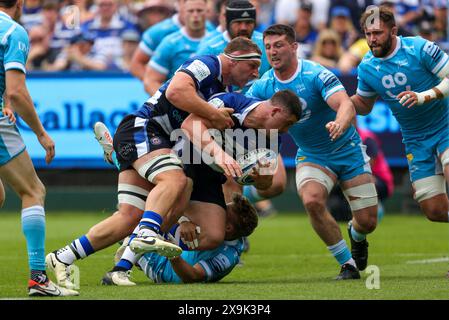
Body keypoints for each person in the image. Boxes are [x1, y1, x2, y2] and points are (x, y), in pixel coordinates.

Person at [45, 85, 300, 289]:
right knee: (167, 196)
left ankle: (121, 165)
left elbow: (265, 184)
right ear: (275, 113)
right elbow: (189, 126)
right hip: (189, 154)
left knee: (212, 234)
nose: (286, 131)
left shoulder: (272, 139)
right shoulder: (232, 101)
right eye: (287, 124)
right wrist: (218, 155)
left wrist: (259, 178)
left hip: (211, 177)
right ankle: (121, 268)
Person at [247, 24, 379, 280]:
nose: (273, 52)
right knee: (311, 200)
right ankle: (347, 264)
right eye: (268, 47)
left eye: (279, 45)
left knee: (368, 222)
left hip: (348, 150)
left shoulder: (315, 73)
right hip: (312, 155)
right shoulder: (264, 86)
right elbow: (246, 115)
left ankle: (357, 234)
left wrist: (340, 122)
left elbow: (345, 103)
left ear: (294, 47)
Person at [0, 0, 77, 296]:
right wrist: (42, 134)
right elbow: (18, 93)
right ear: (19, 3)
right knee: (33, 191)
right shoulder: (13, 31)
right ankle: (38, 278)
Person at [352, 6, 449, 226]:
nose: (372, 39)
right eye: (368, 34)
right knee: (434, 210)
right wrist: (336, 101)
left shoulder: (418, 47)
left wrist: (422, 96)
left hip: (446, 124)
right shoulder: (367, 67)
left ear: (393, 31)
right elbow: (364, 105)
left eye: (378, 33)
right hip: (416, 139)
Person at [132, 193, 258, 284]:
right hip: (170, 244)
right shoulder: (218, 229)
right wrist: (184, 220)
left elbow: (193, 276)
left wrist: (172, 254)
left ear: (228, 228)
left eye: (223, 210)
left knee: (131, 219)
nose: (218, 210)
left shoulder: (227, 257)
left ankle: (126, 260)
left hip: (161, 267)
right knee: (152, 213)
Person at [196, 0, 271, 93]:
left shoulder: (266, 43)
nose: (243, 27)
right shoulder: (209, 49)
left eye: (248, 23)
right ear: (228, 23)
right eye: (238, 23)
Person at [130, 0, 215, 81]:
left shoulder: (211, 30)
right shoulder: (158, 32)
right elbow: (136, 64)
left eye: (199, 10)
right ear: (178, 4)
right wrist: (159, 90)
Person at [328, 127, 394, 223]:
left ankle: (375, 206)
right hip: (348, 177)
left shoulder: (367, 138)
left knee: (362, 181)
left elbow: (369, 165)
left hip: (379, 180)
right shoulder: (338, 137)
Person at [143, 0, 207, 96]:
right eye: (191, 11)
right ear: (183, 12)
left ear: (207, 11)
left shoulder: (215, 38)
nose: (195, 15)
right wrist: (167, 103)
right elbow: (150, 81)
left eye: (199, 10)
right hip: (179, 105)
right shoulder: (169, 43)